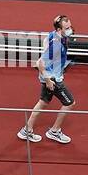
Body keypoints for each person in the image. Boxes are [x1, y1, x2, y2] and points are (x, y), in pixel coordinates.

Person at [17, 14, 76, 144]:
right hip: (53, 80)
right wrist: (49, 80)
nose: (70, 29)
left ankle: (26, 131)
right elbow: (40, 63)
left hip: (50, 76)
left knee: (43, 102)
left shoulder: (53, 35)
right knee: (70, 103)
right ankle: (54, 131)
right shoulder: (55, 45)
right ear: (59, 29)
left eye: (70, 26)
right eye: (67, 28)